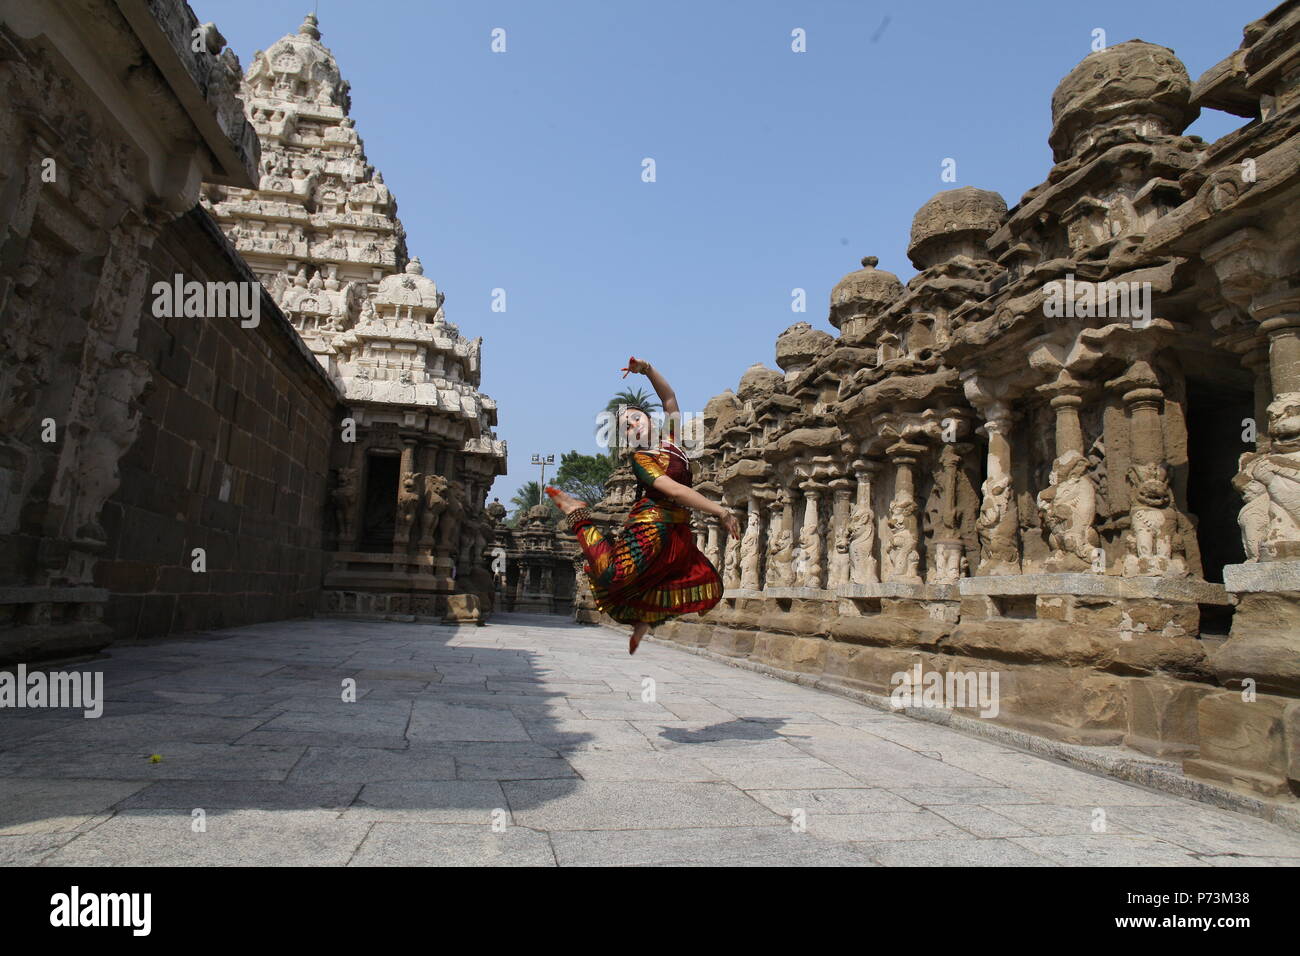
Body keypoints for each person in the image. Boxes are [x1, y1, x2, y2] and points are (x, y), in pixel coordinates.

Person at [546, 357, 740, 654]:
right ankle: (578, 514)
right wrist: (720, 511)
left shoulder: (673, 440)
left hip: (677, 531)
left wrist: (647, 370)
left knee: (691, 582)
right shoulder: (642, 460)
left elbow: (669, 397)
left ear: (650, 419)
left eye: (636, 418)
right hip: (650, 527)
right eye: (625, 427)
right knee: (613, 575)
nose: (632, 425)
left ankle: (643, 622)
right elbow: (673, 489)